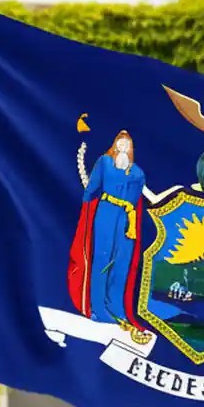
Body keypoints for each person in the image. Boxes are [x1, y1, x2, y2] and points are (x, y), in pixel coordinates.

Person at [67, 131, 148, 329]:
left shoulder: (137, 171)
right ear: (115, 144)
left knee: (122, 262)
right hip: (106, 212)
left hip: (126, 218)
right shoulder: (104, 162)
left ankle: (116, 307)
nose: (123, 147)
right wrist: (86, 214)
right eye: (120, 142)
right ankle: (98, 308)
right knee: (102, 259)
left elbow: (140, 195)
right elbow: (92, 188)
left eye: (126, 144)